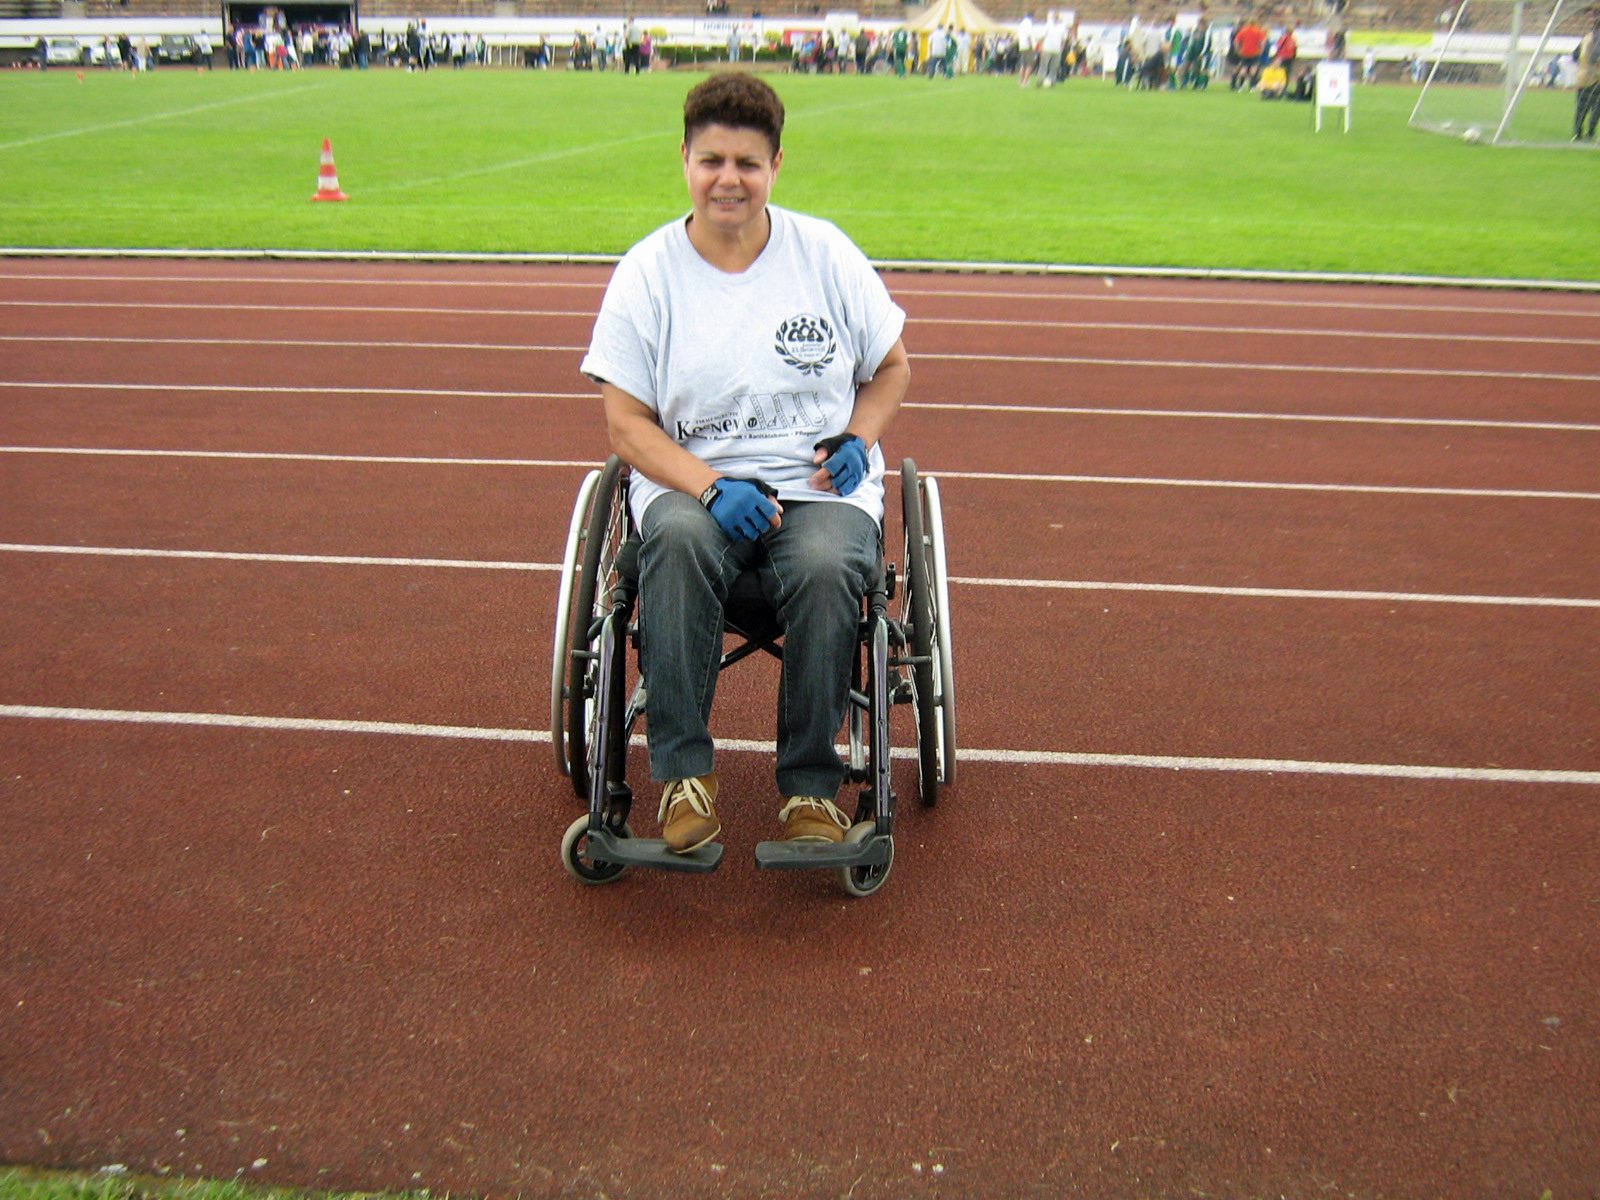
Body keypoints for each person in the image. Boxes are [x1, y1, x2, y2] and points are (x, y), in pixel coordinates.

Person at [580, 73, 912, 854]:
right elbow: (625, 423)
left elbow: (892, 366)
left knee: (832, 565)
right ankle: (686, 779)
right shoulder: (648, 272)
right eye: (712, 160)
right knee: (679, 540)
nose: (729, 179)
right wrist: (706, 484)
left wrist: (860, 437)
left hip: (818, 488)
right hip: (696, 485)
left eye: (748, 163)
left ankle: (809, 790)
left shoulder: (824, 253)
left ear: (776, 166)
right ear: (686, 161)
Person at [1576, 14, 1600, 142]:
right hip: (1595, 77)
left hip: (1581, 77)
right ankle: (1590, 133)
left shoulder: (1586, 38)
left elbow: (1575, 55)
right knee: (1597, 107)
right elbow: (1595, 57)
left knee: (1581, 107)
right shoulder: (1598, 38)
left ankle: (1577, 134)